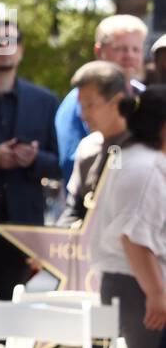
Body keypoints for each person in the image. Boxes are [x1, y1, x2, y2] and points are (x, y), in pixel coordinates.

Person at [0, 23, 60, 297]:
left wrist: (32, 159)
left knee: (17, 307)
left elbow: (59, 164)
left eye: (11, 41)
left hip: (25, 224)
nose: (4, 48)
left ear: (21, 50)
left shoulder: (45, 101)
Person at [85, 86, 166, 348]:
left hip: (138, 284)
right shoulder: (144, 167)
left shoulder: (137, 159)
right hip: (140, 288)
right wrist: (157, 294)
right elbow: (133, 237)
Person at [54, 14, 148, 184]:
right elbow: (71, 161)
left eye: (136, 49)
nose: (129, 56)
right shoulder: (78, 100)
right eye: (120, 48)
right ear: (99, 51)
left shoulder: (147, 98)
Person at [57, 62, 129, 227]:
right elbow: (72, 212)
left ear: (117, 101)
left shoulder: (148, 148)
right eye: (81, 106)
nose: (83, 115)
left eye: (90, 105)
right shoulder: (87, 148)